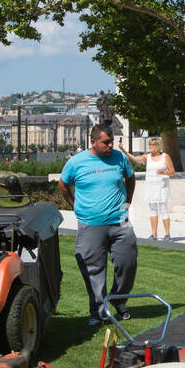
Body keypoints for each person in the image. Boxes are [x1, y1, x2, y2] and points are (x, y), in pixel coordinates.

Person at [58, 124, 137, 327]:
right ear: (93, 142)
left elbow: (131, 178)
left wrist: (127, 201)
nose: (111, 145)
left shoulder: (120, 158)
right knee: (93, 270)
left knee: (127, 264)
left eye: (111, 141)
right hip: (90, 225)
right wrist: (74, 206)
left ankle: (118, 301)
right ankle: (98, 313)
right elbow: (63, 185)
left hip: (120, 223)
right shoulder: (76, 162)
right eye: (106, 142)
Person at [131, 136, 176, 240]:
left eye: (152, 145)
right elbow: (135, 159)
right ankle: (154, 234)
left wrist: (164, 172)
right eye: (149, 145)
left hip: (162, 187)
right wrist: (124, 151)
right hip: (150, 186)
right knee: (152, 210)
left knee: (164, 209)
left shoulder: (165, 156)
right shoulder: (147, 156)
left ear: (158, 146)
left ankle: (167, 234)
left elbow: (172, 171)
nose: (150, 147)